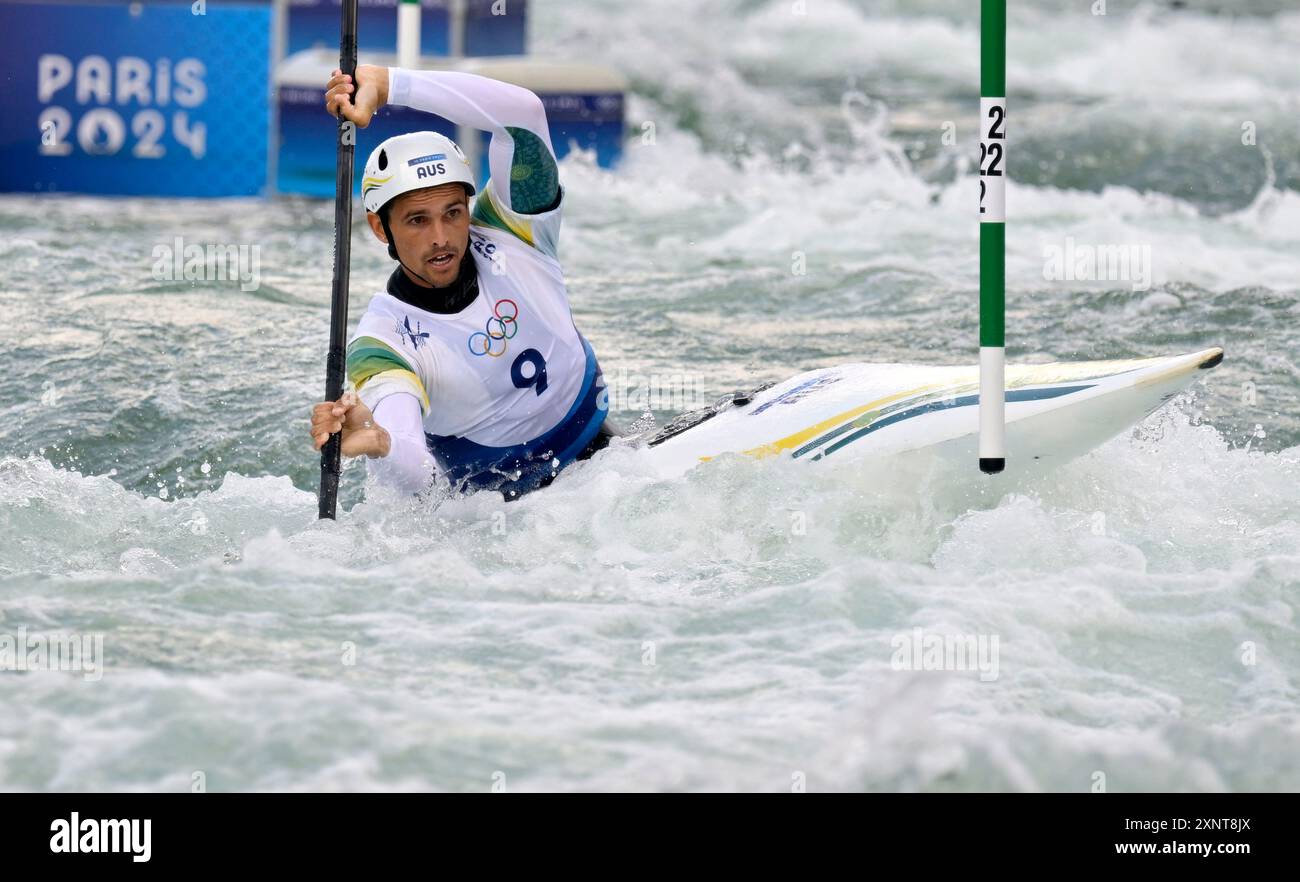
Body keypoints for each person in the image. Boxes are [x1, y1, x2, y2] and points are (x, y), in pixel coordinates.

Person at [308, 64, 615, 499]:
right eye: (417, 220)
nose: (441, 238)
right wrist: (381, 444)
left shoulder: (515, 229)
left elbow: (524, 114)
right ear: (380, 229)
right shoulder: (383, 345)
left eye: (453, 212)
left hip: (609, 456)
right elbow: (419, 471)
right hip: (511, 517)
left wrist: (390, 83)